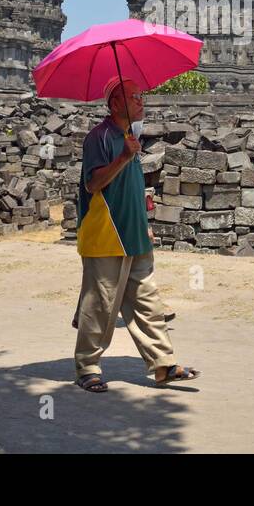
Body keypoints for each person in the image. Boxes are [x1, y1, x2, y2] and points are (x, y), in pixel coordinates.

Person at [73, 76, 198, 393]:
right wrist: (124, 157)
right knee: (100, 303)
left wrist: (145, 223)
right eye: (134, 97)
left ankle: (162, 364)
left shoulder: (131, 137)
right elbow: (93, 184)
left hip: (134, 234)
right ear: (115, 104)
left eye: (141, 96)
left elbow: (131, 189)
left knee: (148, 303)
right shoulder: (99, 138)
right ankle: (88, 366)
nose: (142, 101)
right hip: (105, 234)